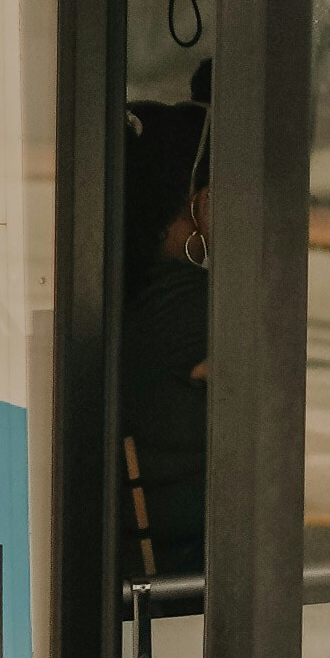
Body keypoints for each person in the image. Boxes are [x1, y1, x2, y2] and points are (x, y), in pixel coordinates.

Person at [120, 103, 210, 578]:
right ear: (199, 203)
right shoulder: (190, 304)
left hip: (147, 554)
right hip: (187, 564)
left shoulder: (131, 286)